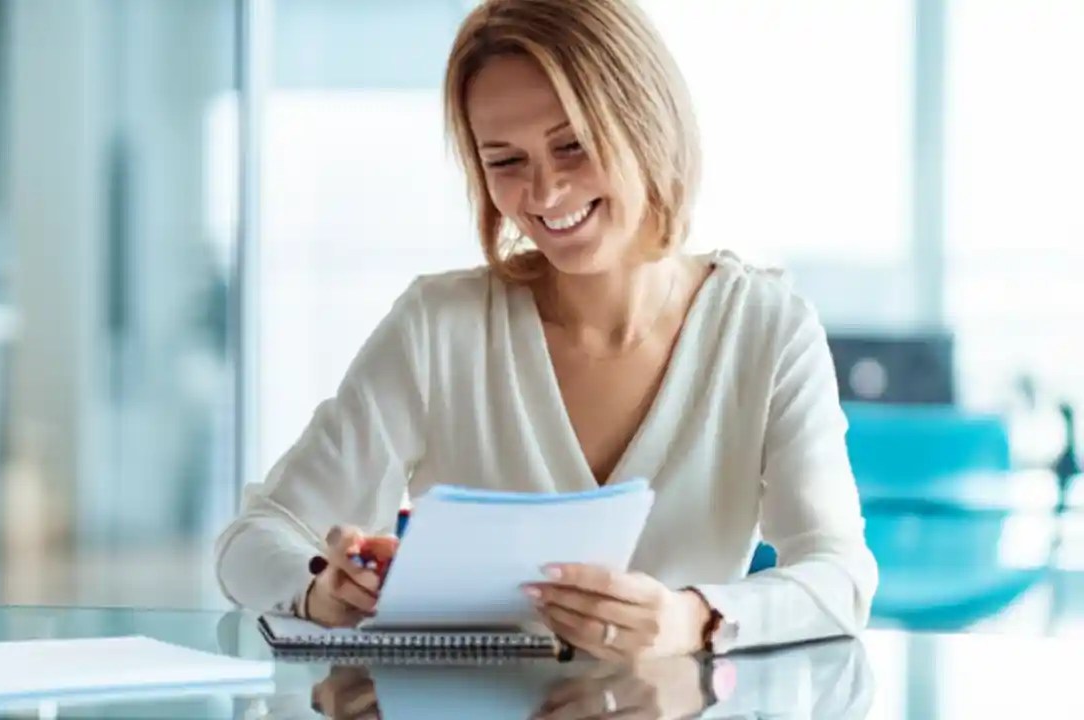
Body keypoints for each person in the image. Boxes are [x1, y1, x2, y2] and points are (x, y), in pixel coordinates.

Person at [215, 0, 878, 659]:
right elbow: (255, 539)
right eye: (505, 160)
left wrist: (692, 619)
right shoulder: (438, 328)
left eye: (573, 146)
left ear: (647, 126)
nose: (545, 191)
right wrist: (319, 589)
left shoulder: (764, 328)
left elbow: (840, 575)